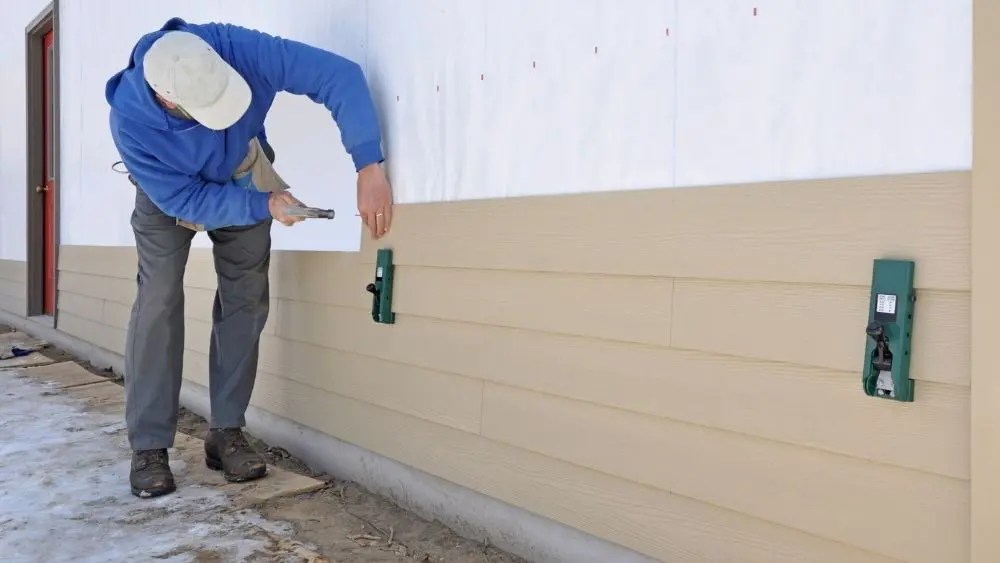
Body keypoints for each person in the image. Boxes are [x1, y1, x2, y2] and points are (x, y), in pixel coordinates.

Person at [105, 17, 393, 498]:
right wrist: (264, 205)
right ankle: (150, 446)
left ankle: (226, 433)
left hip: (243, 167)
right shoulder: (130, 121)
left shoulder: (237, 48)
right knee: (157, 301)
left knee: (246, 298)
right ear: (169, 101)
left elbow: (338, 75)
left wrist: (369, 163)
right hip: (169, 195)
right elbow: (186, 202)